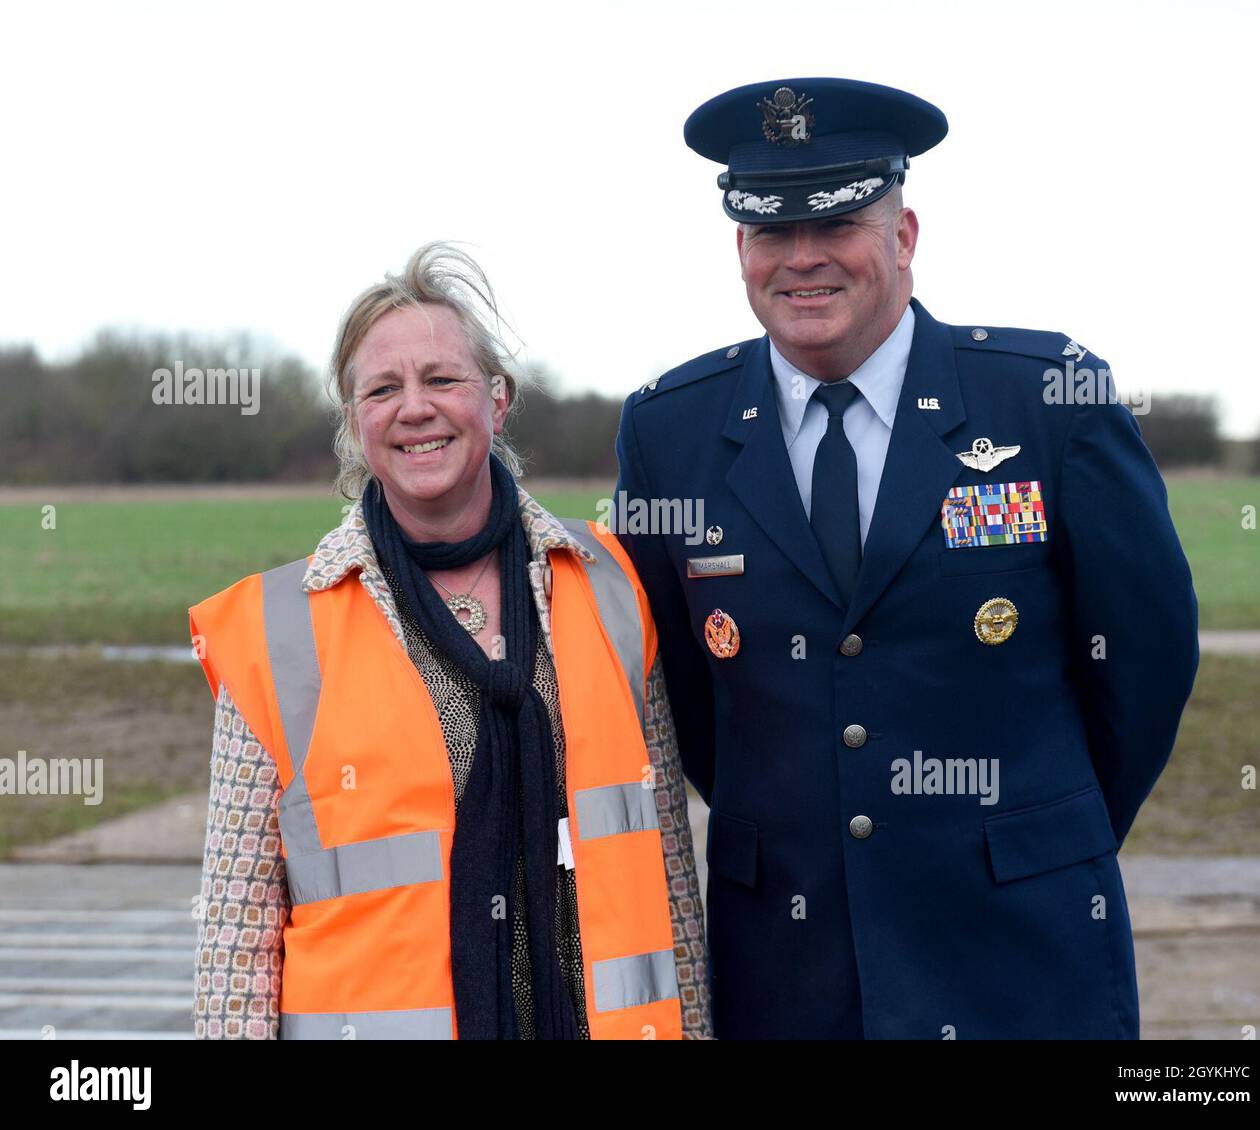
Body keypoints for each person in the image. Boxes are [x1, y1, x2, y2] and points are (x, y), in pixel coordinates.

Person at [613, 78, 1198, 1039]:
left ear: (904, 236)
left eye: (837, 223)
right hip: (791, 964)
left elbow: (1144, 661)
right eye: (772, 231)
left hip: (1020, 950)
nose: (803, 257)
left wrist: (1035, 832)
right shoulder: (669, 430)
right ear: (740, 250)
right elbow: (683, 693)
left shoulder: (1048, 399)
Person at [191, 242, 710, 1039]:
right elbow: (234, 940)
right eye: (382, 389)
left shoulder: (609, 584)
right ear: (354, 422)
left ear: (498, 400)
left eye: (442, 379)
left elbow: (669, 866)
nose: (415, 408)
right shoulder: (275, 632)